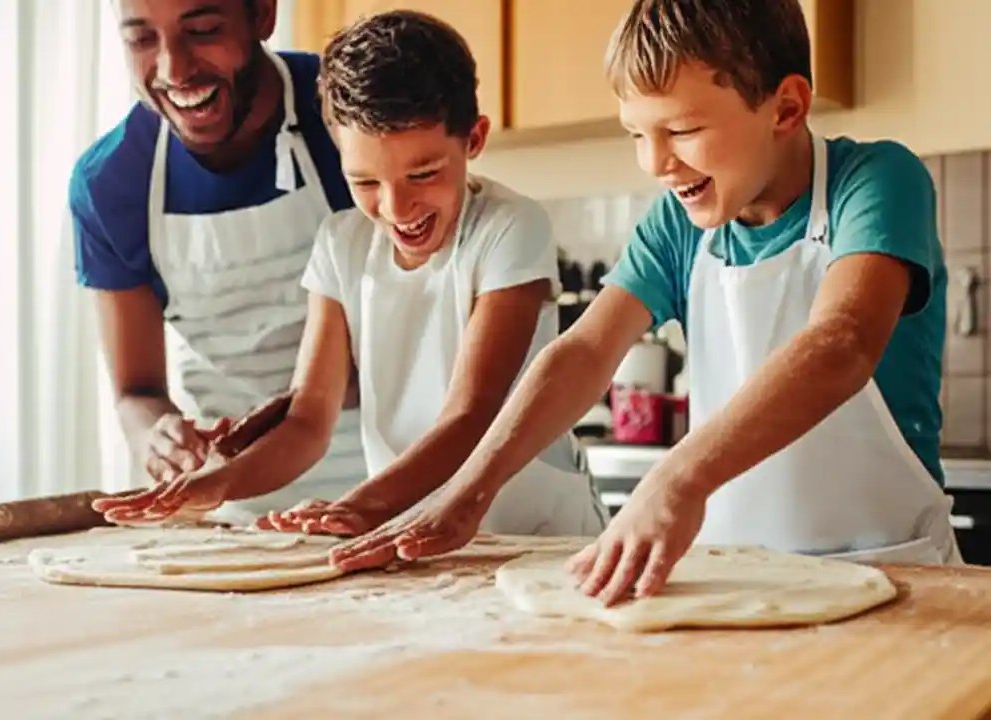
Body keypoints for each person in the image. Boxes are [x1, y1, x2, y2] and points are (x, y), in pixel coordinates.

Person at [329, 0, 962, 596]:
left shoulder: (876, 181)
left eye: (681, 130)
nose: (655, 163)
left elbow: (840, 342)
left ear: (787, 107)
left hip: (894, 574)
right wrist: (467, 492)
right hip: (736, 582)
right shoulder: (680, 223)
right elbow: (584, 351)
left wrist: (678, 475)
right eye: (637, 134)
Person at [94, 10, 609, 539]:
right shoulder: (341, 247)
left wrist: (360, 506)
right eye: (364, 181)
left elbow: (471, 415)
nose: (397, 206)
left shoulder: (509, 230)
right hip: (412, 539)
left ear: (473, 140)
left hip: (539, 538)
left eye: (424, 173)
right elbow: (308, 420)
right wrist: (218, 483)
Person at [68, 0, 369, 519]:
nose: (174, 70)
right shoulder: (110, 183)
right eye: (141, 40)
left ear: (263, 16)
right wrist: (156, 441)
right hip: (238, 506)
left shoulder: (356, 114)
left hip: (396, 480)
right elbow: (136, 392)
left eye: (203, 30)